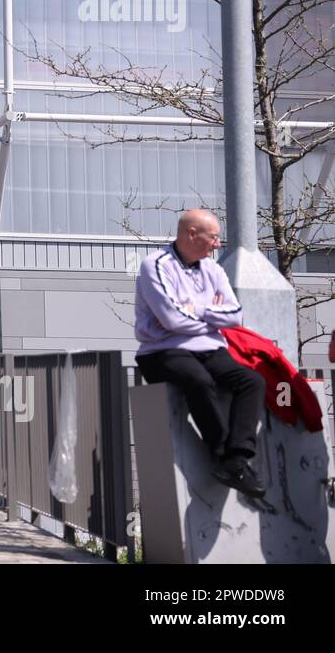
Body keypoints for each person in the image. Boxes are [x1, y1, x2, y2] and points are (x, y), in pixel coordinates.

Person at [134, 208, 266, 498]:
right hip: (161, 351)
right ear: (191, 234)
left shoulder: (214, 269)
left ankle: (237, 460)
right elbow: (171, 318)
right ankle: (220, 454)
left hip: (209, 348)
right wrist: (208, 317)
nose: (218, 244)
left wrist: (198, 309)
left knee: (252, 381)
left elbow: (235, 315)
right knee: (199, 381)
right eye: (214, 237)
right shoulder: (155, 265)